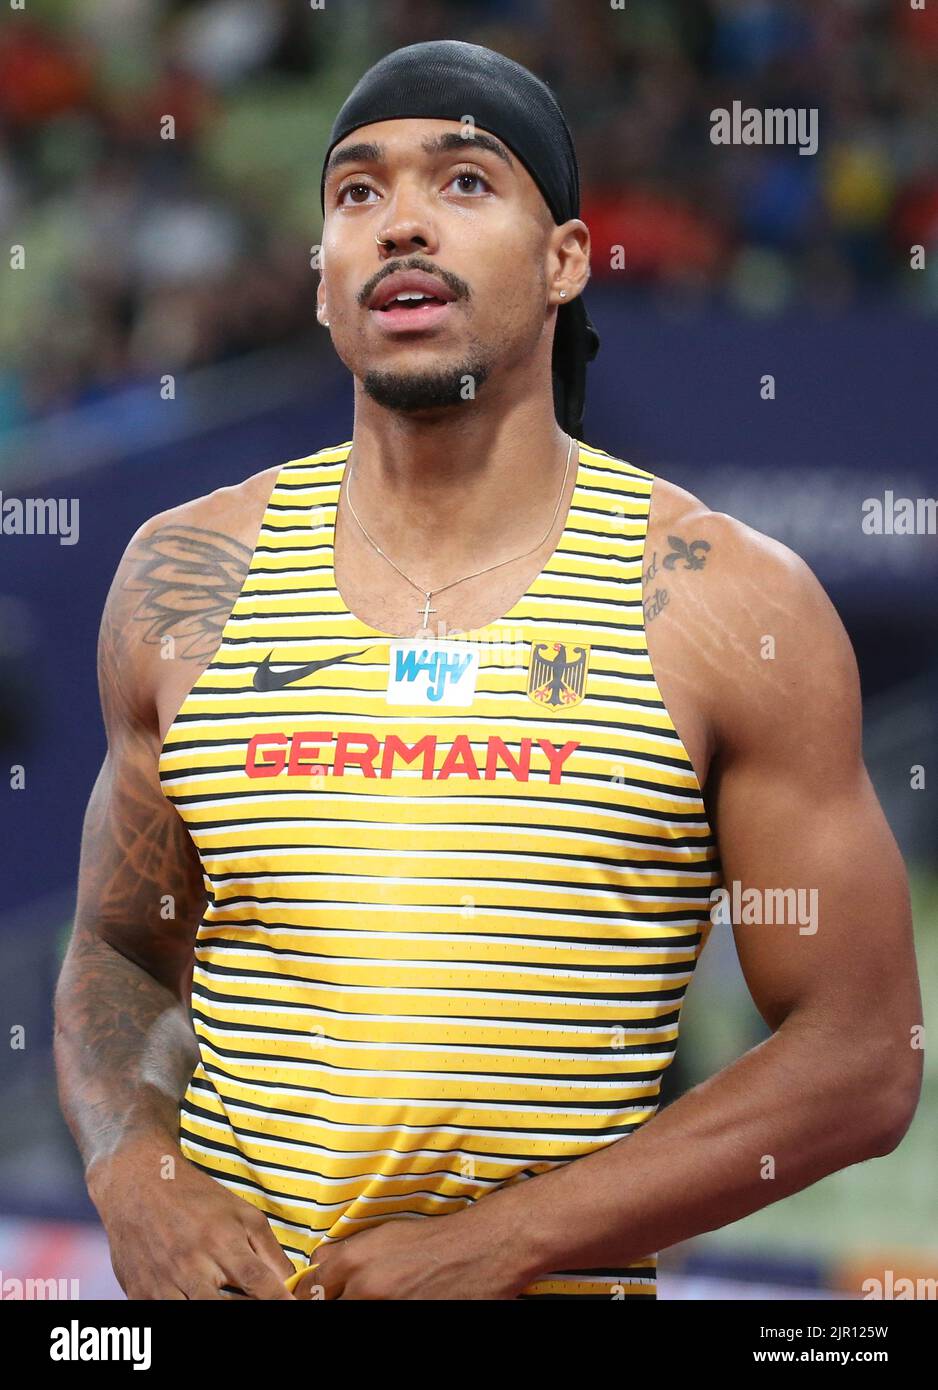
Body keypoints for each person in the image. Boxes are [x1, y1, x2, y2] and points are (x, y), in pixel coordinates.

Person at [54, 40, 922, 1301]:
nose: (400, 222)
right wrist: (133, 1168)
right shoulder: (186, 579)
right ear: (320, 279)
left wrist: (506, 1238)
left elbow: (860, 1056)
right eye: (357, 193)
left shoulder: (725, 600)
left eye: (463, 183)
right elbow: (119, 951)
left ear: (564, 258)